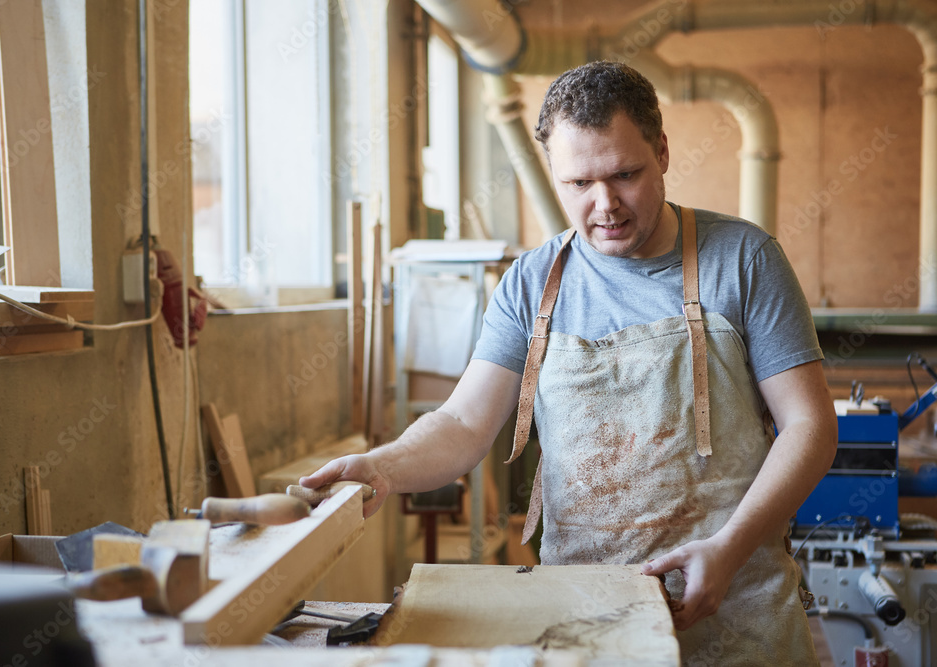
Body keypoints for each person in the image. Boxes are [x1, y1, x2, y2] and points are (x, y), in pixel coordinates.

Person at [302, 60, 837, 665]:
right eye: (578, 184)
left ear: (662, 152)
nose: (605, 204)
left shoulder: (744, 259)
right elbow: (462, 424)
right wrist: (382, 466)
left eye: (625, 174)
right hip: (585, 617)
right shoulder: (530, 285)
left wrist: (730, 548)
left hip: (737, 605)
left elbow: (810, 427)